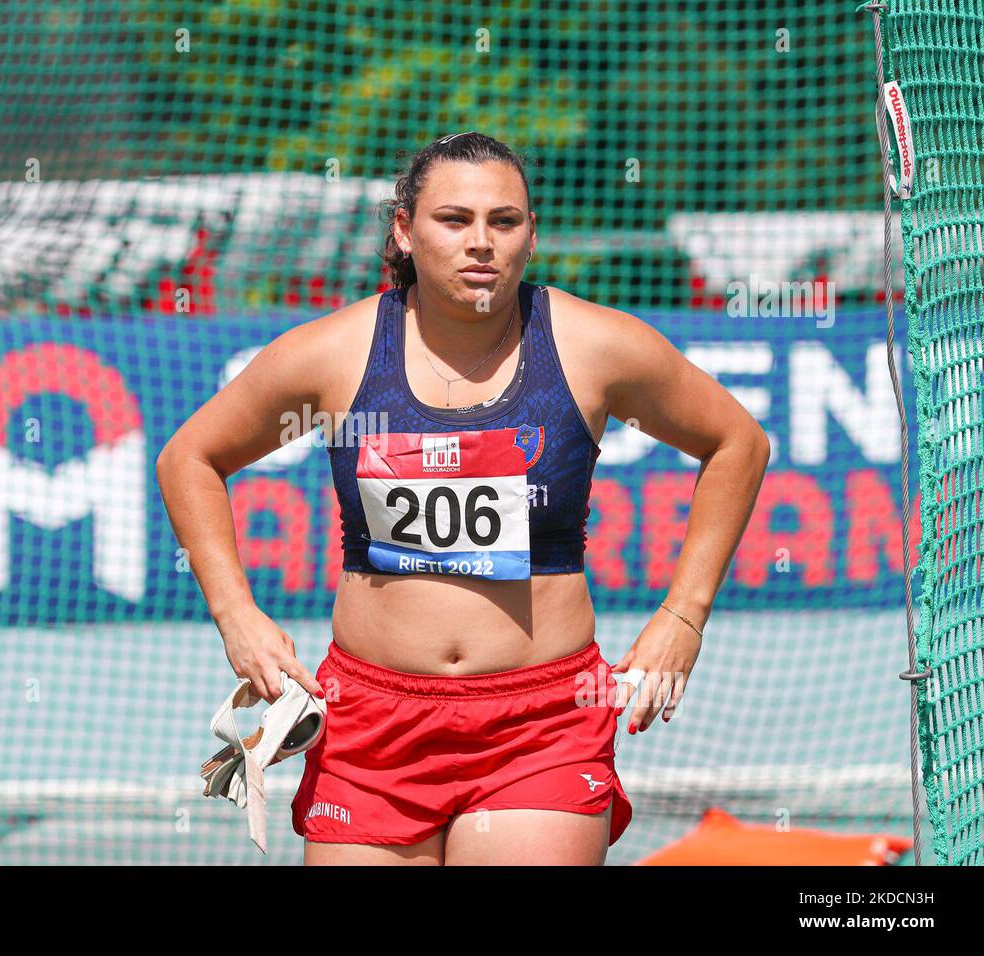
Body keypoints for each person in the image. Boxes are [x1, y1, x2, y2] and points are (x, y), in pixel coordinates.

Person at [156, 131, 769, 865]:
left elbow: (738, 442)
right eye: (454, 220)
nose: (481, 241)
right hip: (372, 727)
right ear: (405, 231)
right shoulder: (334, 353)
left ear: (531, 235)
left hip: (540, 726)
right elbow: (190, 456)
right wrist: (236, 616)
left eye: (503, 221)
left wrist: (684, 616)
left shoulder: (595, 346)